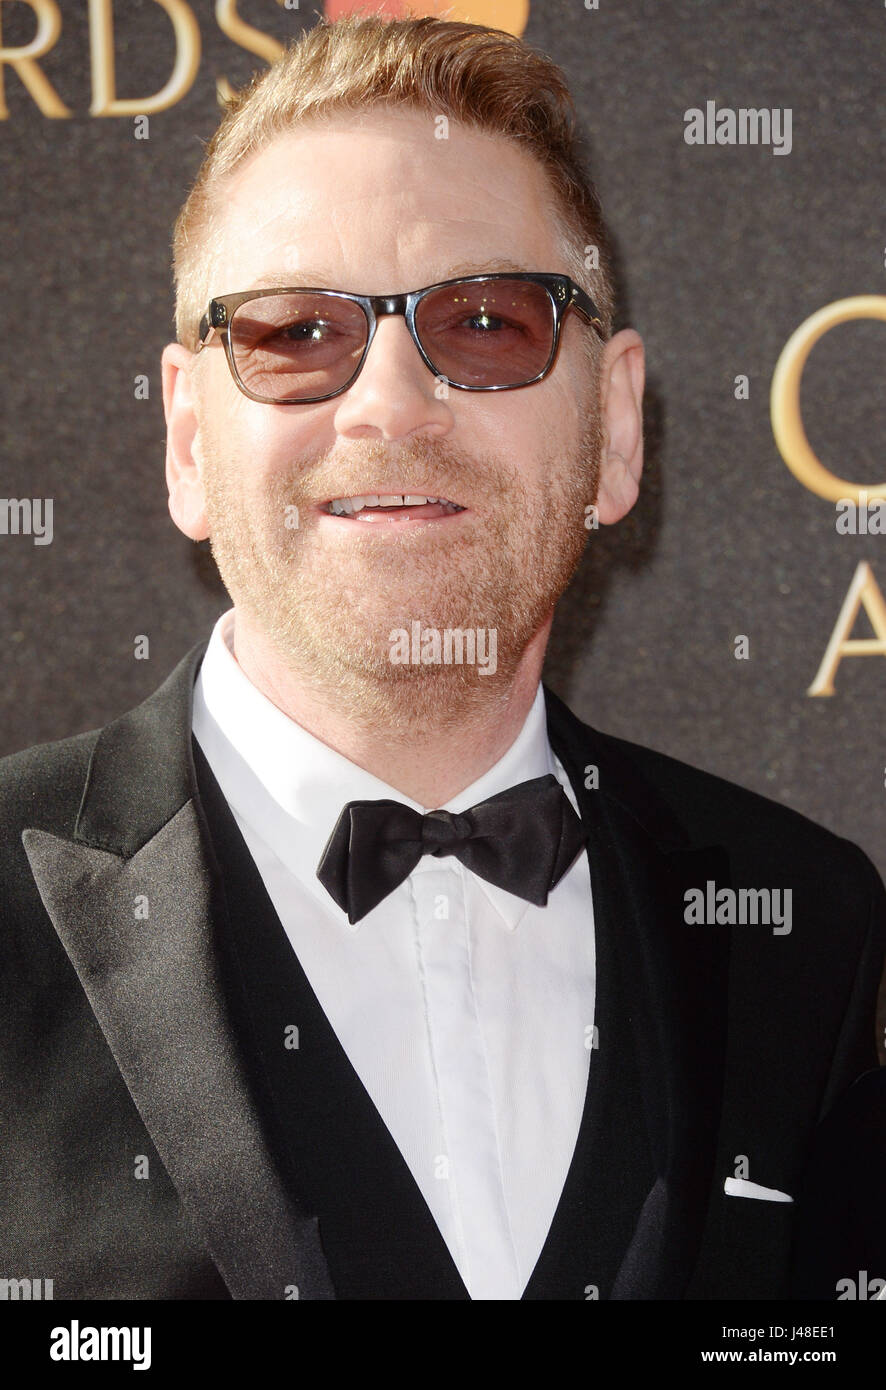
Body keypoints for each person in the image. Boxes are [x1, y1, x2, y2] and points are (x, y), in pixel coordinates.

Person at [1, 14, 883, 1302]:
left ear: (617, 426)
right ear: (188, 440)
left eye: (486, 320)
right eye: (294, 333)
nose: (392, 404)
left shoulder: (804, 921)